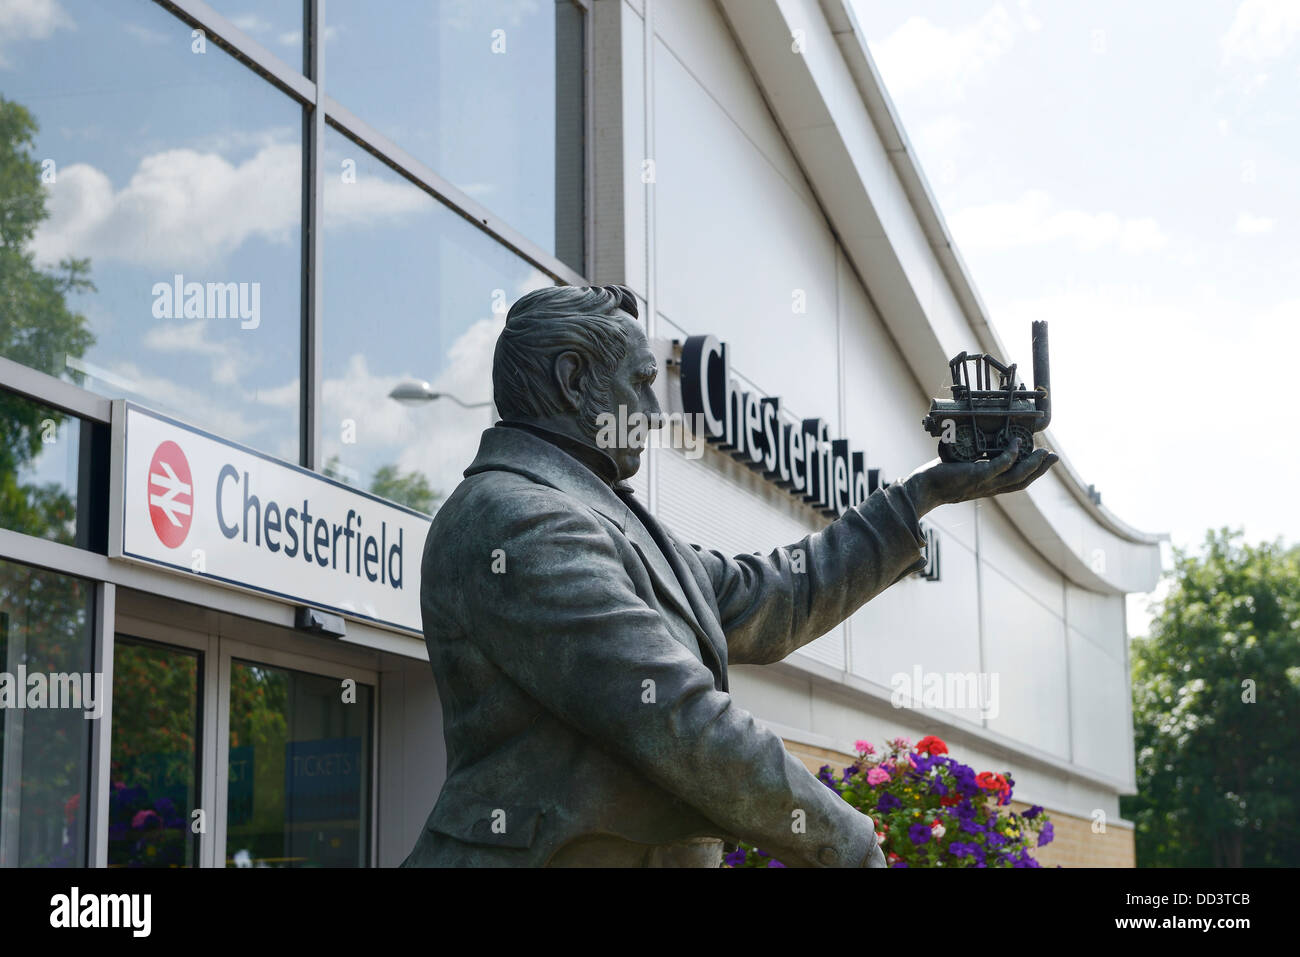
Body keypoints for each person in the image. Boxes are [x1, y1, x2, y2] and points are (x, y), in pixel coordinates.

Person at [402, 285, 1057, 867]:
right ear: (574, 379)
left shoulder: (604, 518)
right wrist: (848, 844)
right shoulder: (518, 519)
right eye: (639, 382)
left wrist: (922, 495)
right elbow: (676, 718)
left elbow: (776, 594)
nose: (654, 413)